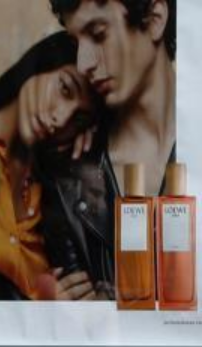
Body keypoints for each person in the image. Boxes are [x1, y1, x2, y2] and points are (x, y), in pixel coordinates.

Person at [0, 33, 102, 301]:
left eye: (79, 118)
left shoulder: (48, 186)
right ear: (38, 64)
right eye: (64, 89)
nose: (61, 119)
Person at [44, 0, 176, 284]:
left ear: (155, 19)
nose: (83, 62)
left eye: (98, 33)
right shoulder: (69, 181)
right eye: (76, 41)